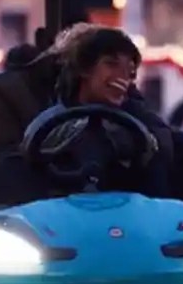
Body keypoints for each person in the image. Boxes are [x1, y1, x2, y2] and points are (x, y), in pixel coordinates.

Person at [0, 22, 96, 201]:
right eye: (110, 64)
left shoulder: (122, 99)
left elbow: (145, 150)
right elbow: (0, 161)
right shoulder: (3, 91)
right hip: (36, 208)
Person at [47, 26, 175, 197]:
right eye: (111, 64)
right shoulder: (51, 116)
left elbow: (162, 145)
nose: (121, 76)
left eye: (128, 71)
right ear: (84, 68)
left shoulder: (141, 119)